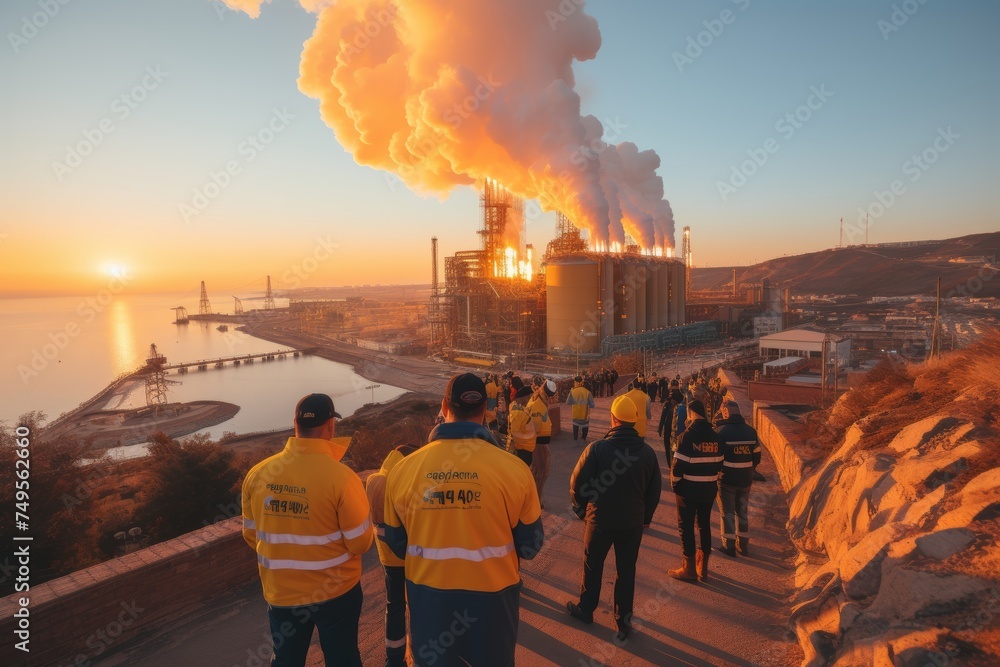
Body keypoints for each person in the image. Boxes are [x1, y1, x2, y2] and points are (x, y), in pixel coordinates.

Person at [381, 374, 544, 667]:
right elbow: (531, 546)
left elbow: (395, 543)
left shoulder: (403, 470)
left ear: (445, 406)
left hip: (428, 604)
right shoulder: (515, 471)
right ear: (485, 410)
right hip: (494, 604)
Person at [242, 393, 373, 667]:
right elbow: (359, 543)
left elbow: (251, 535)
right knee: (343, 658)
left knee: (287, 659)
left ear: (295, 424)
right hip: (335, 593)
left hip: (281, 591)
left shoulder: (258, 474)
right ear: (330, 426)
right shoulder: (343, 478)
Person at [567, 395, 662, 642]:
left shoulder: (597, 449)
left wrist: (580, 508)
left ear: (613, 418)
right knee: (626, 570)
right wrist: (646, 518)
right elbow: (654, 490)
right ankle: (624, 622)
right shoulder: (648, 453)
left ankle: (586, 609)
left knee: (592, 564)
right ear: (634, 422)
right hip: (632, 524)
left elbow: (577, 483)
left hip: (599, 521)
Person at [366, 443, 421, 667]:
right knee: (417, 605)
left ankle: (393, 658)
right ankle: (418, 655)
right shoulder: (406, 481)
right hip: (412, 555)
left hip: (387, 557)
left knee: (394, 605)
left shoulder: (373, 481)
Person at [668, 399, 723, 584]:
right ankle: (703, 567)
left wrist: (676, 485)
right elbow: (720, 462)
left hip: (688, 490)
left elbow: (677, 467)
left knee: (686, 526)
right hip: (709, 489)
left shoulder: (686, 437)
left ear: (691, 413)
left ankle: (689, 568)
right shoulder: (716, 437)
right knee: (704, 525)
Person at [715, 401, 761, 557]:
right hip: (746, 478)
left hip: (726, 478)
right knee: (742, 511)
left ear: (725, 412)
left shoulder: (720, 432)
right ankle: (743, 546)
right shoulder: (751, 432)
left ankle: (728, 546)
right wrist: (749, 469)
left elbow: (716, 457)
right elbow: (757, 456)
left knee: (727, 512)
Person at [526, 379, 557, 506]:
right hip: (538, 442)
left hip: (541, 441)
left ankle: (535, 497)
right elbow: (535, 424)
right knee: (540, 472)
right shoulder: (537, 403)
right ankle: (535, 500)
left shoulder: (539, 399)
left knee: (539, 471)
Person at [656, 380, 685, 467]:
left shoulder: (669, 400)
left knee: (668, 445)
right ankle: (677, 463)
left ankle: (671, 465)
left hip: (670, 424)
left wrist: (660, 428)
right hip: (681, 425)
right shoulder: (683, 398)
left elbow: (663, 415)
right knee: (679, 446)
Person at [507, 385, 536, 464]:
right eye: (530, 397)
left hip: (523, 448)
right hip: (523, 449)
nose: (530, 400)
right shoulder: (518, 411)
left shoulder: (516, 407)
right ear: (524, 397)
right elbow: (515, 433)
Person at [567, 375, 595, 441]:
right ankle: (583, 439)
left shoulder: (572, 391)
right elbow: (592, 405)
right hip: (584, 417)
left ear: (575, 382)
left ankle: (575, 440)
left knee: (575, 434)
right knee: (585, 430)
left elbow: (568, 402)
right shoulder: (587, 392)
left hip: (575, 416)